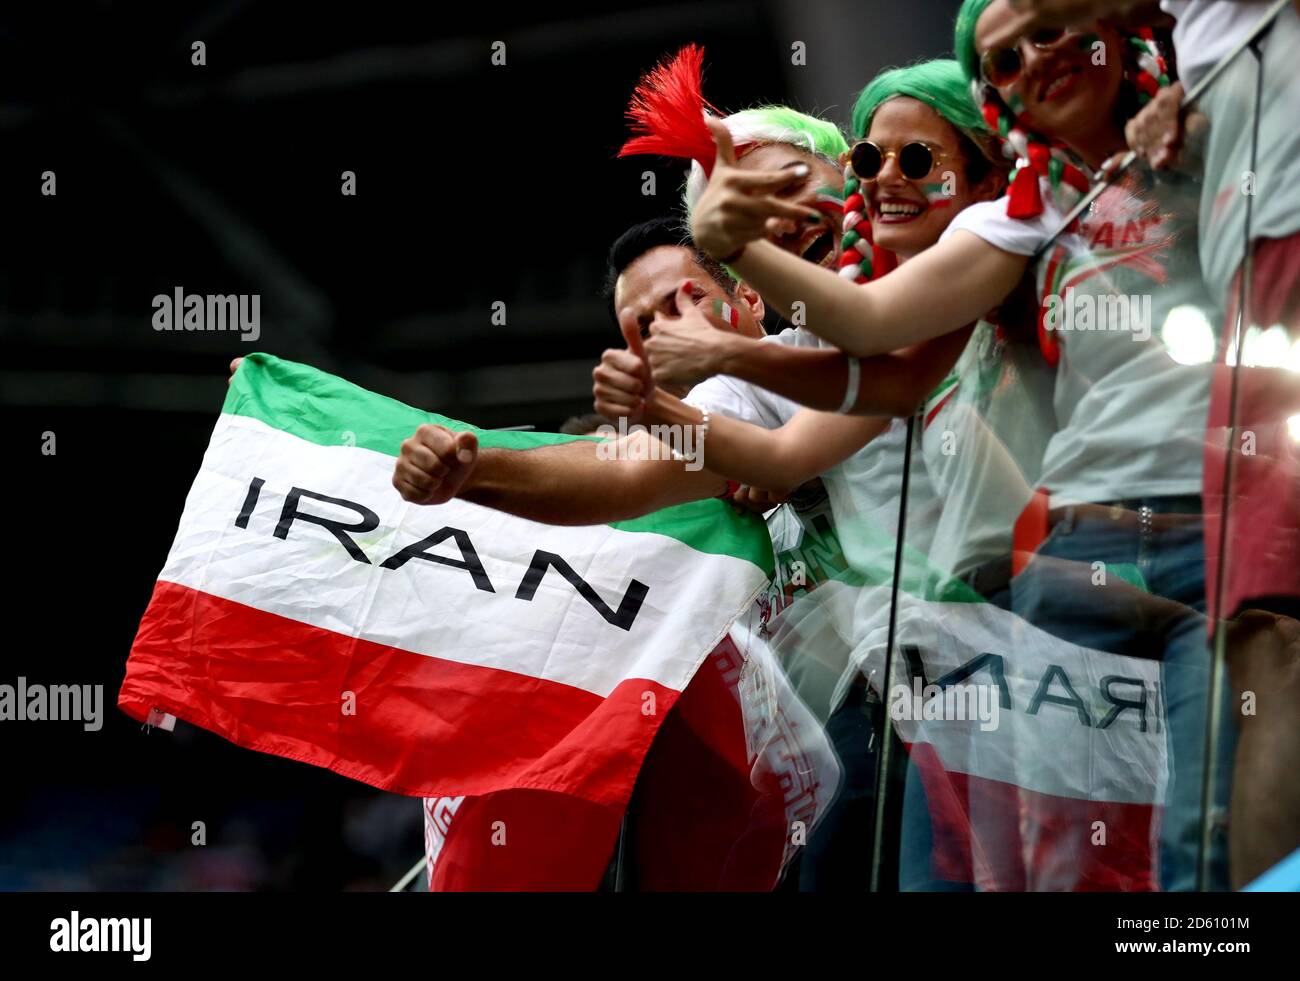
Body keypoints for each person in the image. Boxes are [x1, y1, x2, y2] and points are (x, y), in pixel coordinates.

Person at [685, 1, 1227, 890]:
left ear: (983, 170)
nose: (887, 180)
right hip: (1012, 628)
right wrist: (715, 372)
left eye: (918, 160)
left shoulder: (1169, 153)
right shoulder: (1001, 234)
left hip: (1145, 567)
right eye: (870, 160)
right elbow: (866, 373)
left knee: (1195, 862)